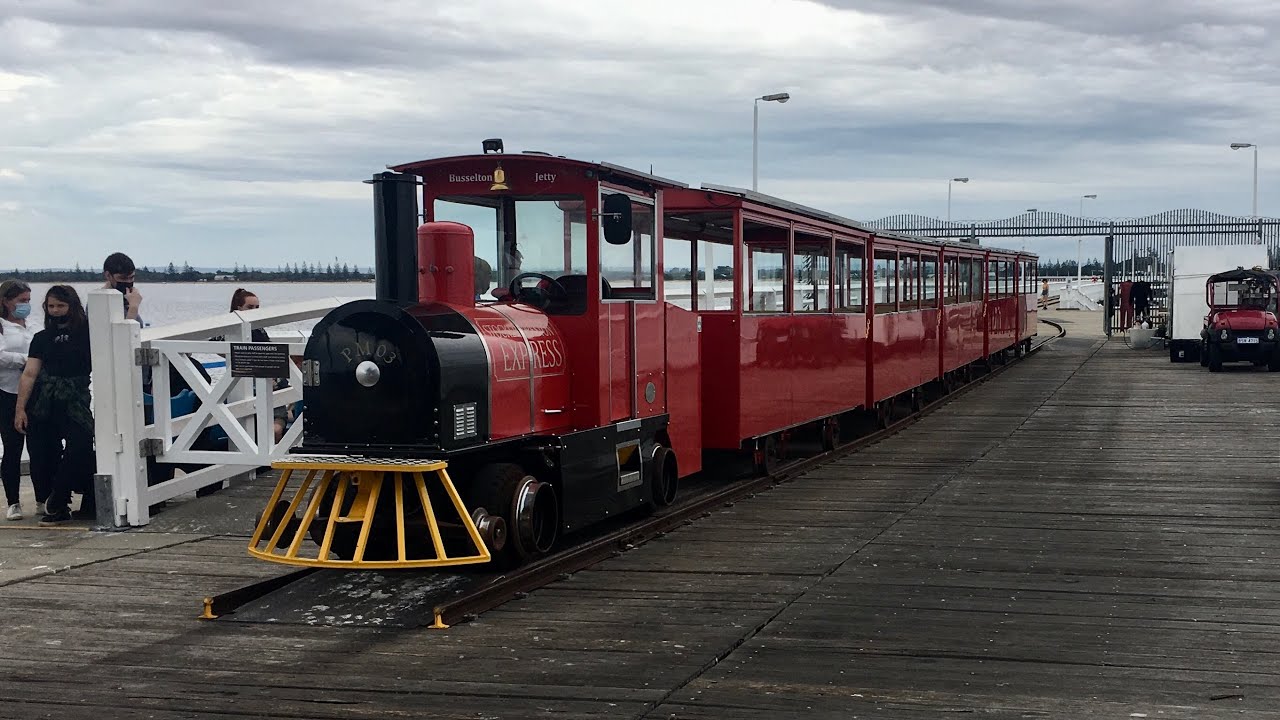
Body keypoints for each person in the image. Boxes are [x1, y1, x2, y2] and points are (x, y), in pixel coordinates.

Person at [14, 286, 94, 526]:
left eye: (61, 305)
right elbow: (29, 374)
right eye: (51, 306)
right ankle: (58, 505)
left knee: (80, 445)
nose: (56, 311)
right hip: (45, 401)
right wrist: (20, 409)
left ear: (72, 306)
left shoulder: (87, 333)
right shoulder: (42, 338)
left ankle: (59, 496)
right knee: (44, 453)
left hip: (76, 398)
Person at [1, 280, 43, 520]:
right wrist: (26, 360)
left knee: (40, 447)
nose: (25, 305)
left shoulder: (33, 325)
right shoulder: (2, 327)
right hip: (7, 391)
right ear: (6, 302)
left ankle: (42, 496)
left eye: (28, 301)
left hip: (34, 392)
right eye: (20, 301)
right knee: (12, 447)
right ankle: (13, 501)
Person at [102, 251, 144, 325]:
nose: (128, 282)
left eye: (131, 277)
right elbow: (123, 334)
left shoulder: (125, 298)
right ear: (108, 275)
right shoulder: (101, 301)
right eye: (122, 278)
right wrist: (133, 308)